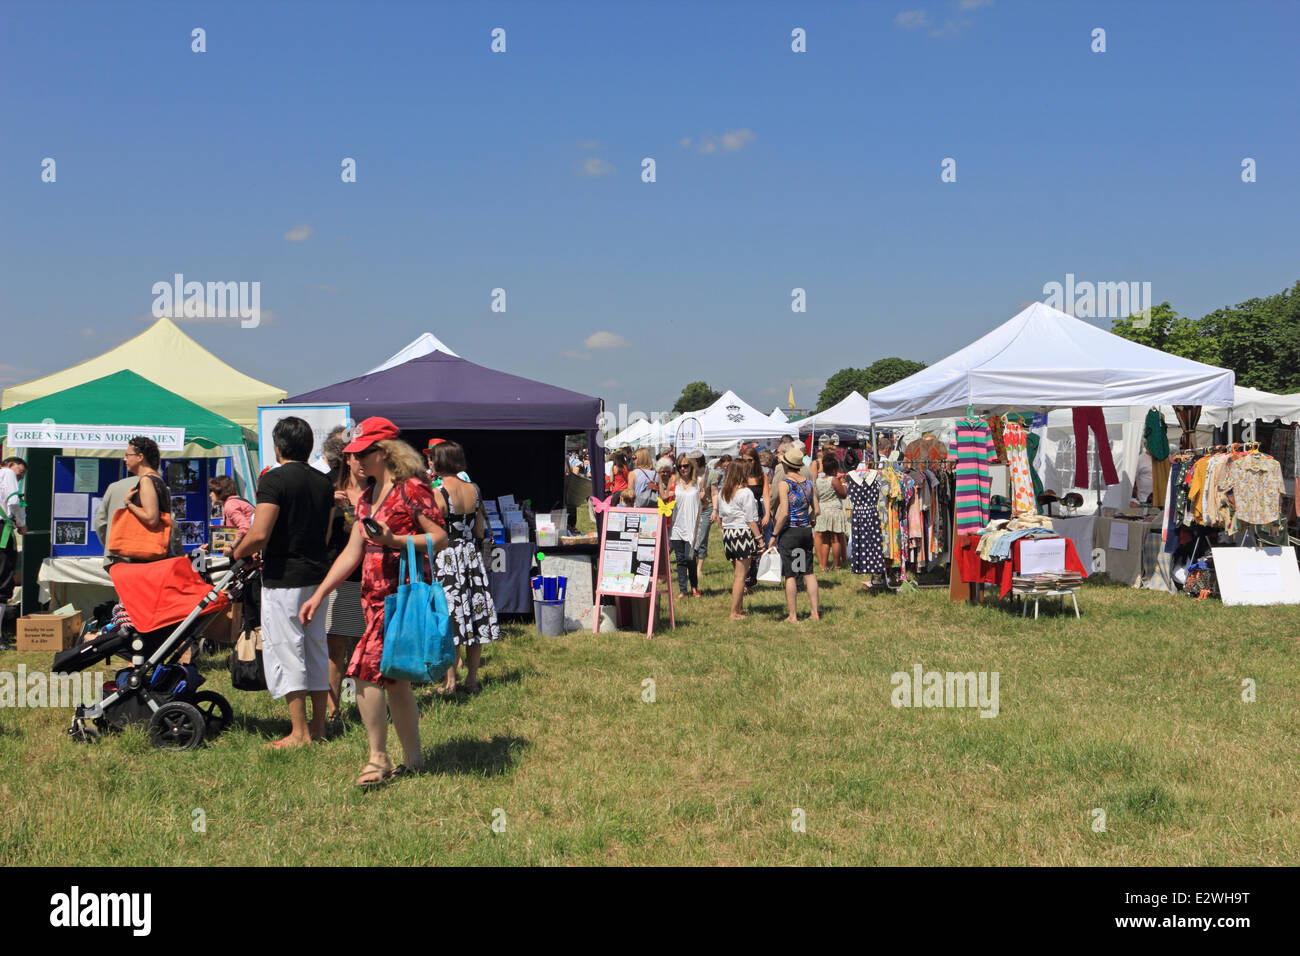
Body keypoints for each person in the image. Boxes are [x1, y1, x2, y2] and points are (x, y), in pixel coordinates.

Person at [299, 417, 448, 787]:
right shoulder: (366, 497)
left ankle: (377, 759)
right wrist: (320, 594)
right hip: (372, 597)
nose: (354, 461)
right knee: (395, 680)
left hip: (401, 595)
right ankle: (414, 760)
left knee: (364, 671)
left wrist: (394, 541)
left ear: (385, 452)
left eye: (362, 454)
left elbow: (440, 537)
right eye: (351, 455)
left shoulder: (412, 489)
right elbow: (352, 552)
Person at [233, 417, 335, 749]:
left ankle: (299, 732)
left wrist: (238, 550)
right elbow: (326, 534)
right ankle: (318, 728)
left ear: (278, 446)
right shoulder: (323, 483)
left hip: (284, 579)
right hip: (317, 577)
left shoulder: (274, 479)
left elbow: (260, 533)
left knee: (288, 651)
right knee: (316, 648)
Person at [429, 440, 500, 696]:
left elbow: (432, 532)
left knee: (450, 618)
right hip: (471, 556)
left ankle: (450, 683)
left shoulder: (437, 493)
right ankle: (472, 679)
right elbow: (479, 529)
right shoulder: (475, 490)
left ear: (439, 463)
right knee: (475, 613)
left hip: (447, 557)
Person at [323, 431, 367, 722]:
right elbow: (321, 537)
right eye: (356, 455)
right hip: (340, 574)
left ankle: (370, 707)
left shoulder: (379, 487)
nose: (362, 461)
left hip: (374, 576)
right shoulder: (327, 486)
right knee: (336, 645)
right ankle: (332, 709)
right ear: (346, 458)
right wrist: (329, 507)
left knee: (368, 647)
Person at [766, 443, 821, 622]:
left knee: (790, 573)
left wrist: (774, 535)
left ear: (786, 465)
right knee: (809, 572)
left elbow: (784, 513)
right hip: (806, 531)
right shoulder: (808, 483)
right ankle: (815, 613)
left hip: (790, 531)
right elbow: (817, 510)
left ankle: (793, 615)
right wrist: (810, 519)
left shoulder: (784, 484)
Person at [715, 459, 761, 620]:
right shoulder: (745, 493)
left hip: (729, 534)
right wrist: (760, 539)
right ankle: (734, 612)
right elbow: (751, 518)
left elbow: (721, 515)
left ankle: (739, 608)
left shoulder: (724, 492)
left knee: (738, 574)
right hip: (742, 533)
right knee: (741, 577)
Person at [120, 437, 174, 562]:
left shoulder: (147, 480)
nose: (124, 459)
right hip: (156, 553)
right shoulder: (157, 479)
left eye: (127, 455)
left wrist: (129, 503)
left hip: (147, 556)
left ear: (140, 457)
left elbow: (151, 519)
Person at [668, 455, 704, 598]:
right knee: (680, 559)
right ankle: (683, 589)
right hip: (677, 526)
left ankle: (694, 586)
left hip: (692, 526)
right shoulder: (674, 482)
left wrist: (704, 498)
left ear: (691, 467)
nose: (683, 469)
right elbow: (664, 497)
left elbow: (705, 502)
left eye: (686, 466)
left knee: (690, 558)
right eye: (680, 466)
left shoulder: (698, 483)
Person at [813, 453, 849, 572]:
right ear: (834, 469)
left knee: (825, 540)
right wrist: (843, 483)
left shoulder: (818, 480)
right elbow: (843, 495)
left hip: (822, 510)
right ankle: (837, 565)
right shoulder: (833, 480)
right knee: (835, 539)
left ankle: (823, 565)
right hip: (834, 511)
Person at [93, 473, 138, 565]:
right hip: (151, 555)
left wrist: (111, 546)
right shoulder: (160, 486)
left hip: (118, 555)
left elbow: (100, 522)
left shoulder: (114, 487)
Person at [0, 457, 27, 608]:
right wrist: (22, 523)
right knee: (3, 576)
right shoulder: (7, 473)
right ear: (11, 465)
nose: (20, 478)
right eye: (20, 473)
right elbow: (14, 501)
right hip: (2, 529)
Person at [208, 475, 255, 550]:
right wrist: (210, 546)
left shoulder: (230, 505)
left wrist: (231, 548)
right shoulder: (235, 501)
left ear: (219, 491)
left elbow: (245, 528)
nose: (210, 495)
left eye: (211, 491)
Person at [692, 452, 712, 580]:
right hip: (692, 509)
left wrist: (715, 510)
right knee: (692, 538)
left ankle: (699, 568)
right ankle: (691, 567)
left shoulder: (710, 474)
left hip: (706, 509)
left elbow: (714, 493)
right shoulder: (689, 474)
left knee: (702, 538)